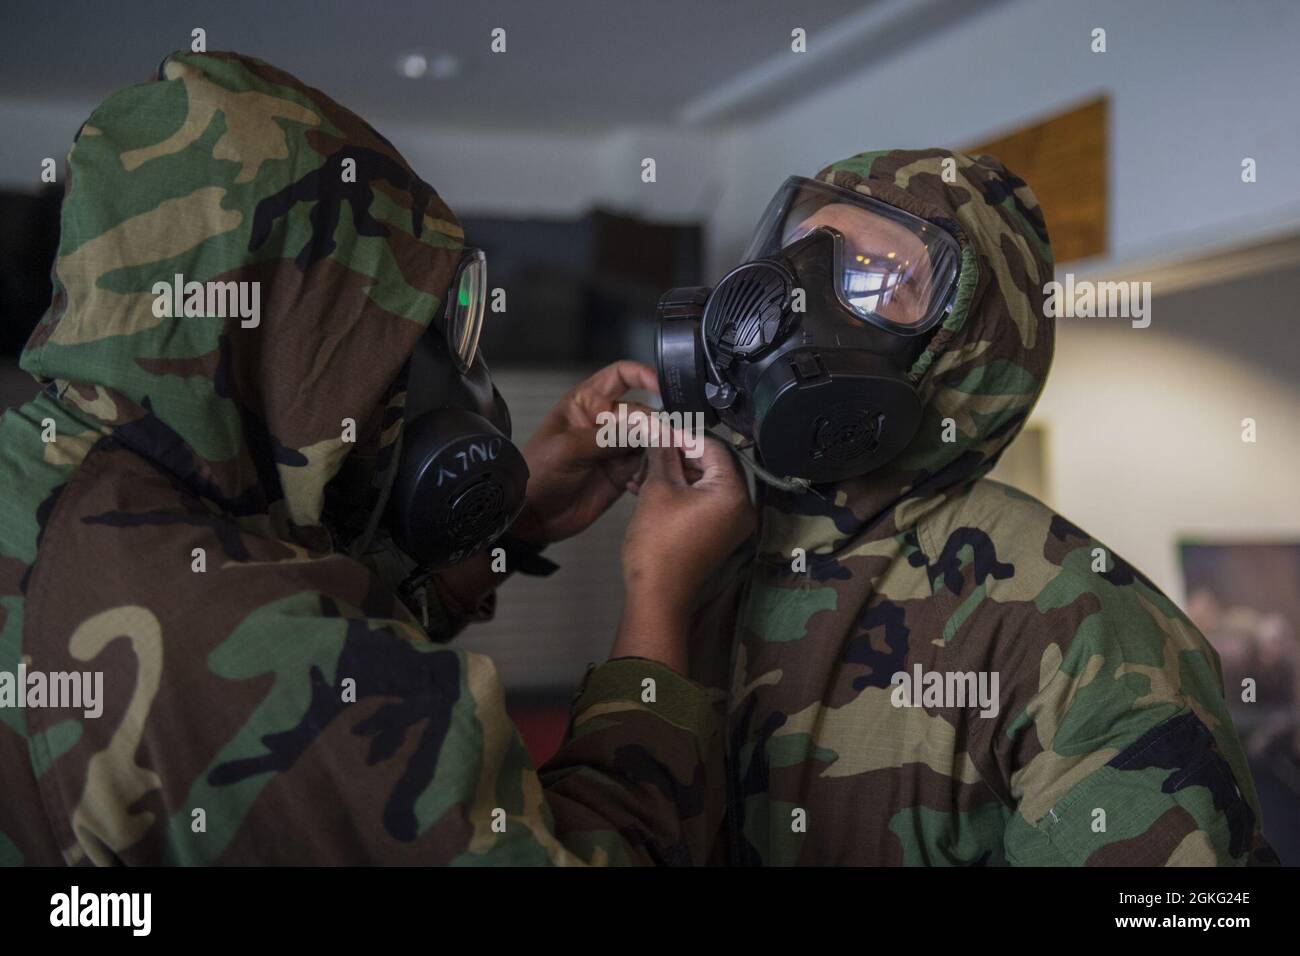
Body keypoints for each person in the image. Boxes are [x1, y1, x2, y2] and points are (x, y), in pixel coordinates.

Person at [0, 51, 751, 866]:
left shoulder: (53, 470)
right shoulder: (231, 635)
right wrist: (660, 591)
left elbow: (298, 613)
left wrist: (515, 521)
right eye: (389, 330)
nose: (419, 377)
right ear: (299, 328)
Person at [647, 148, 1277, 865]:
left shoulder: (1076, 620)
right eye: (798, 251)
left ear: (962, 349)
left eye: (871, 276)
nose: (793, 294)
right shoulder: (703, 552)